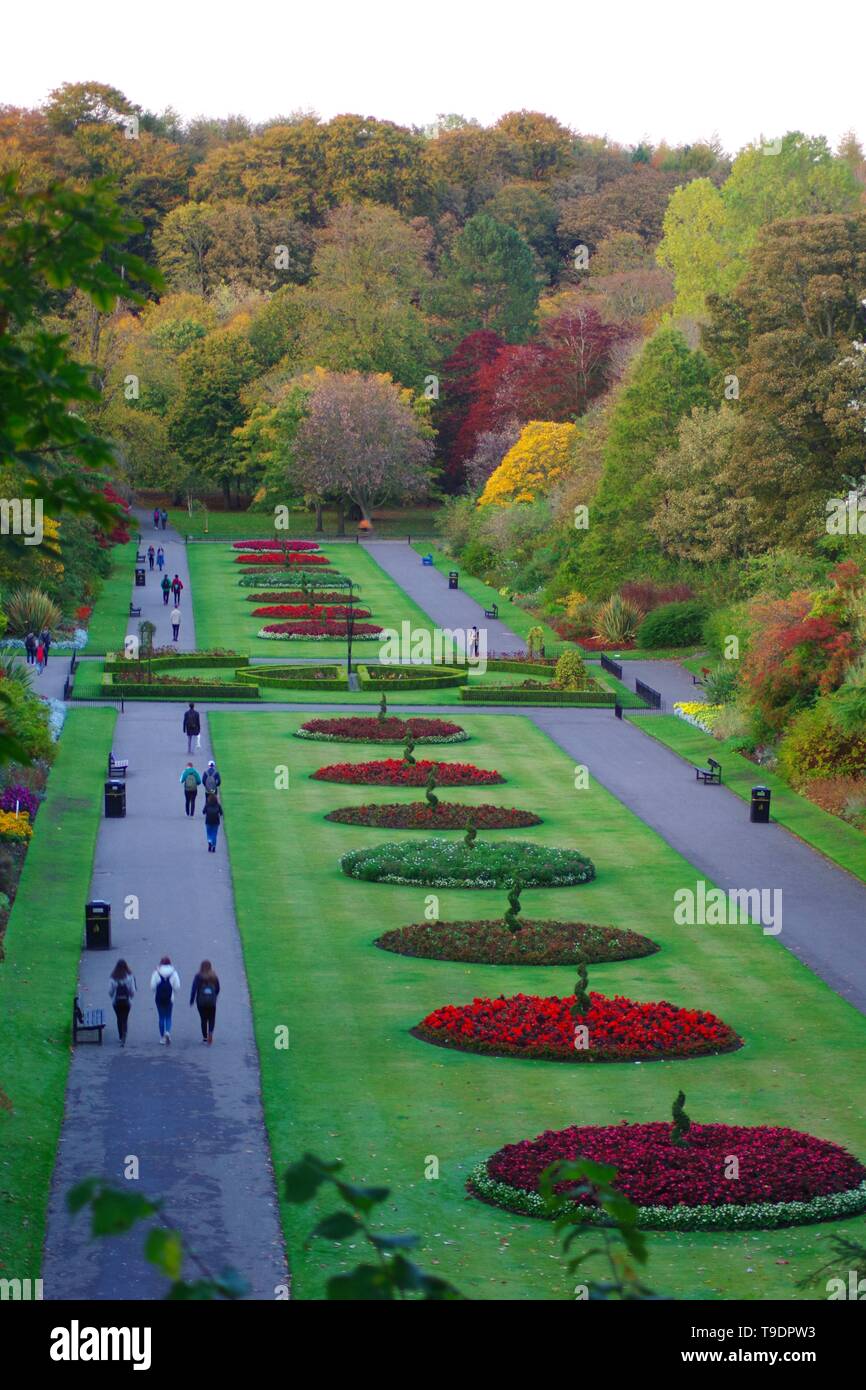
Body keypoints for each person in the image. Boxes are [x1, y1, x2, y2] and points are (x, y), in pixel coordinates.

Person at [150, 957, 180, 1045]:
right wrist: (173, 991)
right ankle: (167, 1032)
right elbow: (177, 986)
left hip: (159, 998)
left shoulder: (156, 972)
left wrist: (155, 992)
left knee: (161, 1016)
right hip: (169, 998)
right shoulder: (173, 973)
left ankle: (162, 1036)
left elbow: (152, 986)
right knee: (168, 1016)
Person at [190, 960, 220, 1044]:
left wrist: (192, 1000)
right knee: (212, 1018)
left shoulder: (198, 976)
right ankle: (210, 1032)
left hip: (201, 1001)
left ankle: (205, 1037)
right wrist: (214, 996)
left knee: (203, 1019)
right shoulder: (214, 976)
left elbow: (194, 989)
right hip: (211, 1001)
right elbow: (218, 988)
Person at [109, 959, 136, 1046]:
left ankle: (120, 1035)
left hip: (116, 1002)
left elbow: (110, 991)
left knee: (119, 1017)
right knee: (125, 1018)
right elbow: (132, 990)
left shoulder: (113, 977)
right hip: (127, 1001)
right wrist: (131, 996)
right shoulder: (130, 976)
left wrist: (112, 996)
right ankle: (124, 1033)